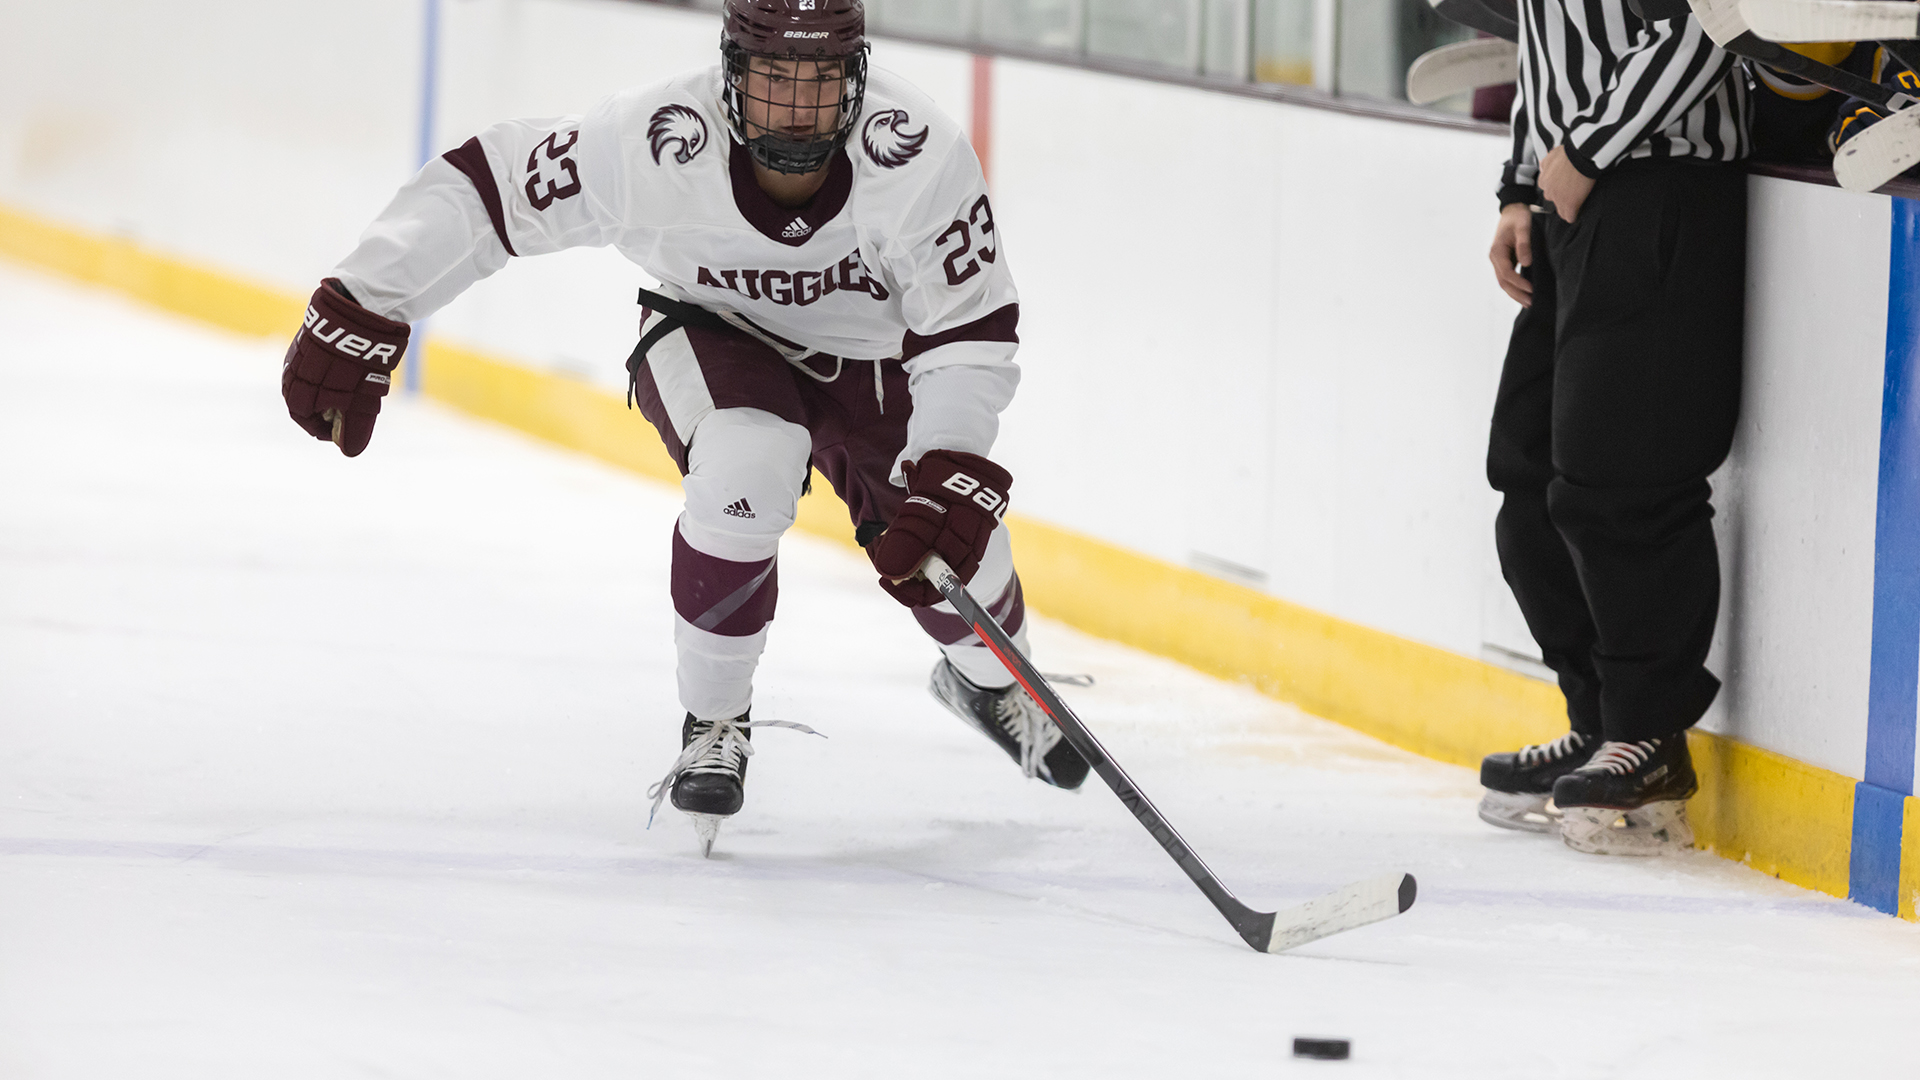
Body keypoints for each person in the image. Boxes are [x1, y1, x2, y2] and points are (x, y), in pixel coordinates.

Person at [277, 0, 1090, 854]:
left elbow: (967, 331)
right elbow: (495, 187)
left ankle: (987, 684)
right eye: (774, 79)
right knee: (748, 458)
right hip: (711, 327)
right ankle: (713, 722)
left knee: (958, 551)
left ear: (857, 79)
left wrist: (950, 467)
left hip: (874, 356)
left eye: (819, 82)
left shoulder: (916, 153)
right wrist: (365, 300)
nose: (796, 110)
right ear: (731, 72)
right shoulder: (659, 139)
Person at [1478, 0, 1748, 854]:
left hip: (1660, 185)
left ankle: (1648, 738)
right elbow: (1546, 47)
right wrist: (1522, 185)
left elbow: (1713, 23)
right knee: (1527, 476)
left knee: (1621, 472)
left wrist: (1585, 151)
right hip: (1572, 195)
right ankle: (1599, 721)